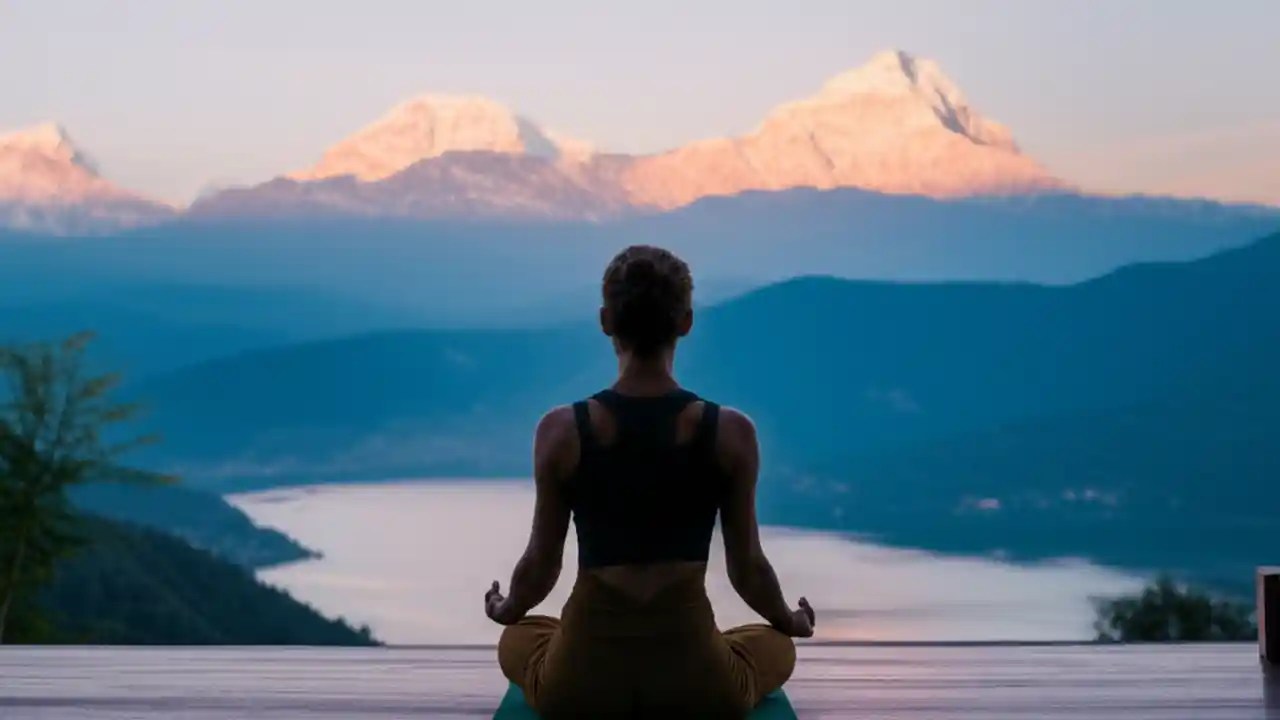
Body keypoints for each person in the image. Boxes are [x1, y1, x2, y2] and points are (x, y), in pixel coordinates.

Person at [485, 244, 815, 718]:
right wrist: (791, 620)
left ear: (605, 321)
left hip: (582, 680)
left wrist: (506, 607)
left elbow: (542, 563)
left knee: (520, 637)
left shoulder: (561, 432)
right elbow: (748, 570)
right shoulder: (730, 433)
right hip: (695, 681)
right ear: (685, 321)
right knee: (775, 647)